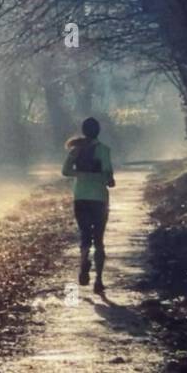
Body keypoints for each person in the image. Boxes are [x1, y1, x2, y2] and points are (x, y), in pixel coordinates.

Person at [62, 117, 115, 294]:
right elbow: (109, 177)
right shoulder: (103, 150)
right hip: (99, 199)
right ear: (98, 131)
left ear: (84, 131)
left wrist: (82, 174)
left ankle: (84, 260)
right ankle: (98, 280)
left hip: (81, 197)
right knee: (99, 239)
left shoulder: (76, 150)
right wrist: (105, 179)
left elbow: (65, 171)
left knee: (85, 234)